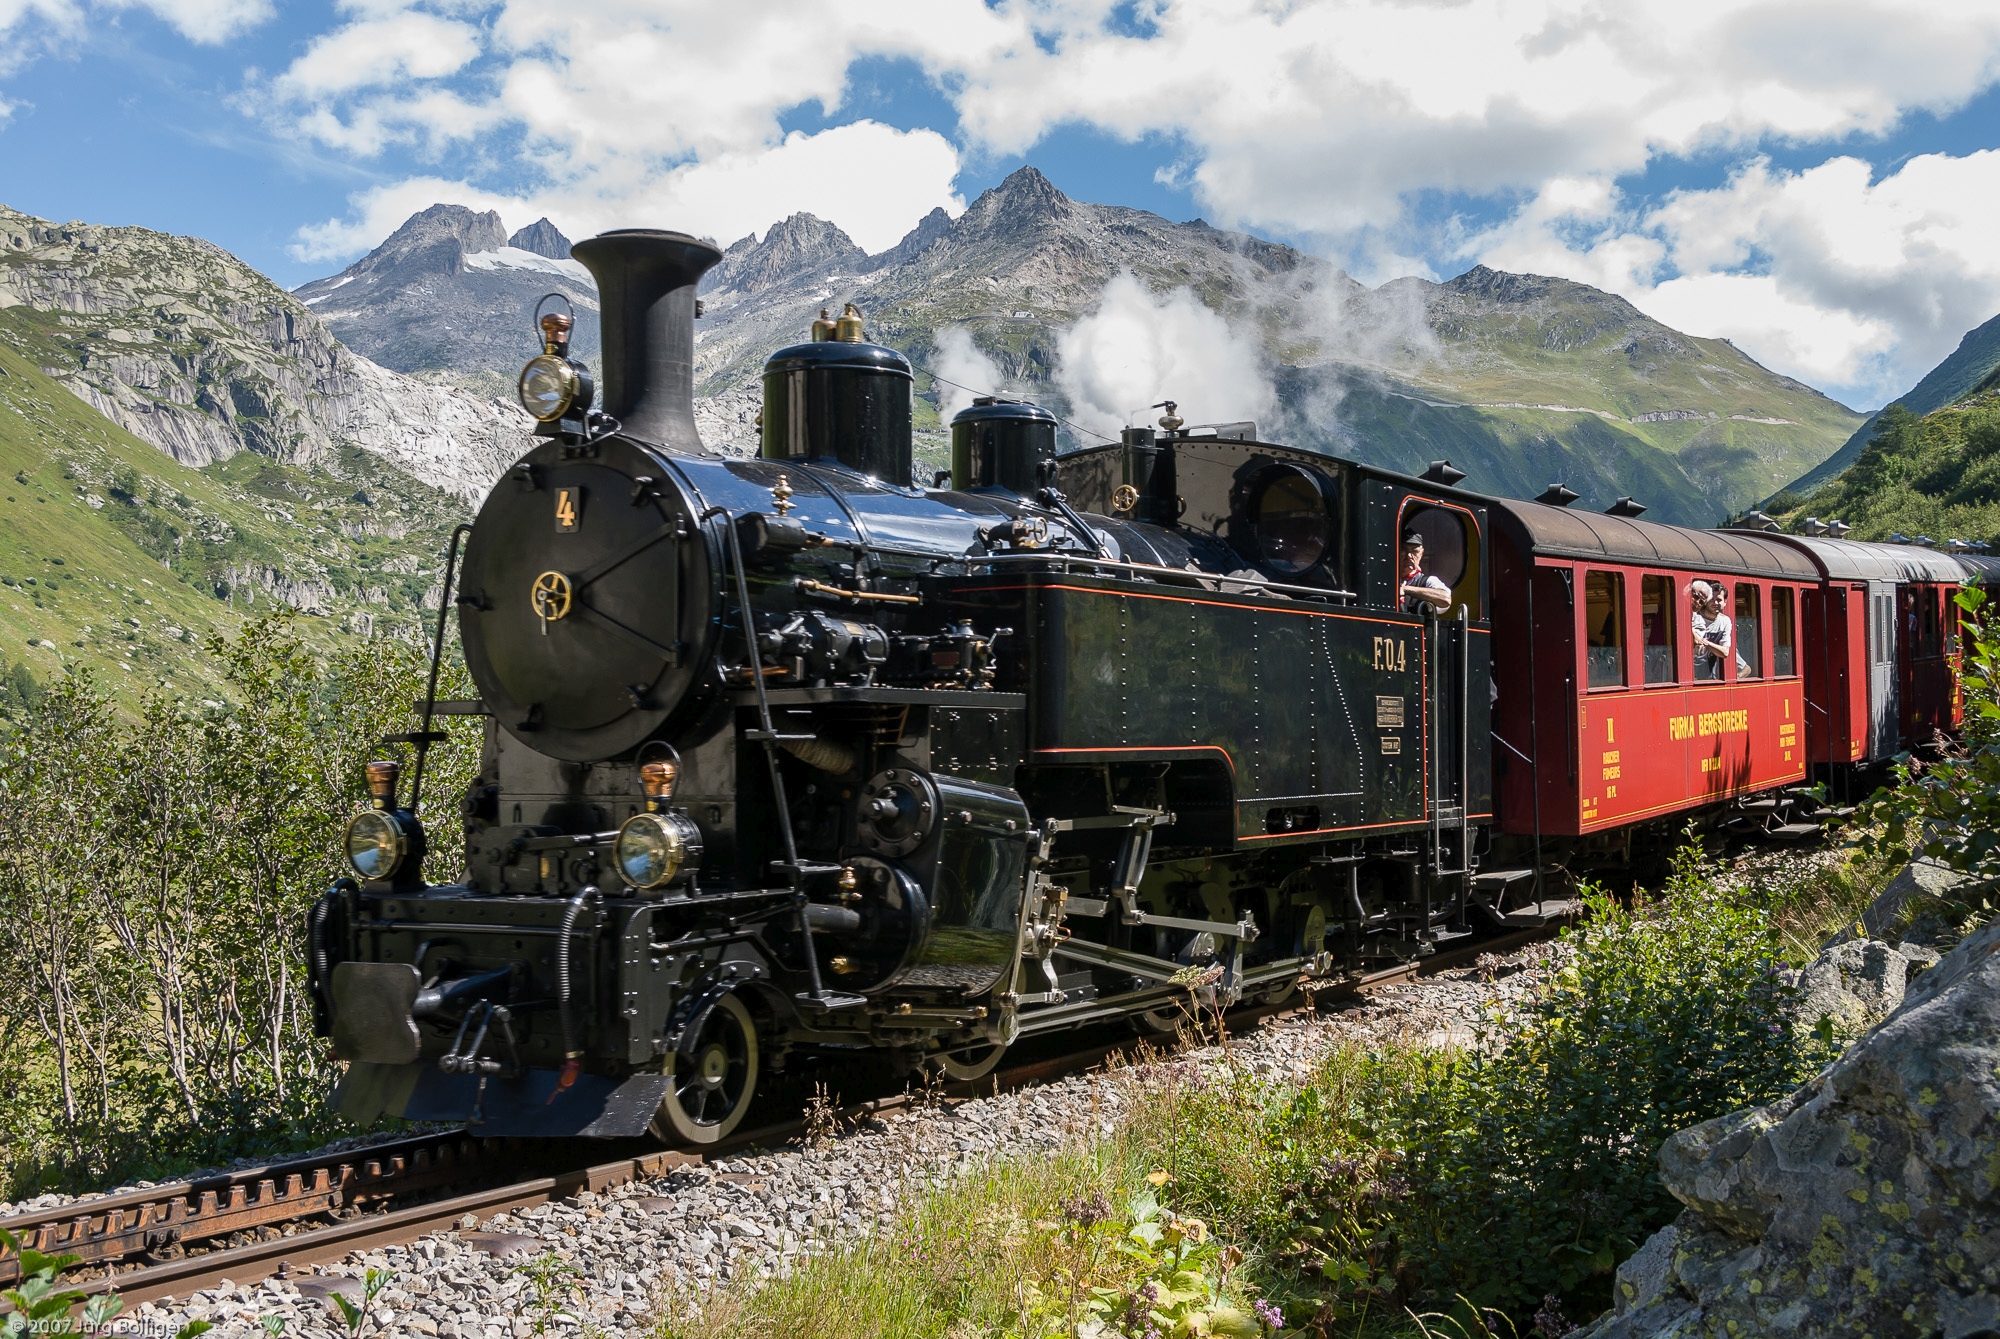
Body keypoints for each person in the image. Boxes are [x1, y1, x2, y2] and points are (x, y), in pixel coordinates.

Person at [1400, 531, 1452, 613]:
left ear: (1421, 554)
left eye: (1415, 551)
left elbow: (1445, 599)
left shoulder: (1429, 581)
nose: (1409, 556)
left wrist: (1405, 589)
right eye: (1403, 550)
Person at [1692, 580, 1732, 680]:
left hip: (1708, 676)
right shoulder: (1696, 617)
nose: (1715, 603)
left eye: (1719, 600)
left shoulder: (1725, 622)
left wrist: (1707, 643)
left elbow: (1725, 652)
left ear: (1725, 602)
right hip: (1691, 671)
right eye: (1712, 599)